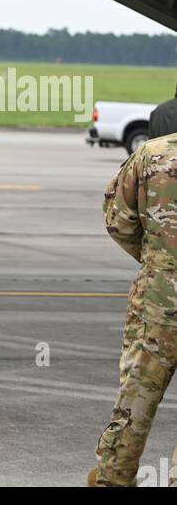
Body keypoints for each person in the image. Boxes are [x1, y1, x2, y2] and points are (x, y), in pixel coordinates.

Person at [88, 131, 177, 486]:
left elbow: (118, 220)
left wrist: (157, 262)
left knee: (135, 399)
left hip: (156, 298)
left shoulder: (152, 153)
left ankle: (114, 477)